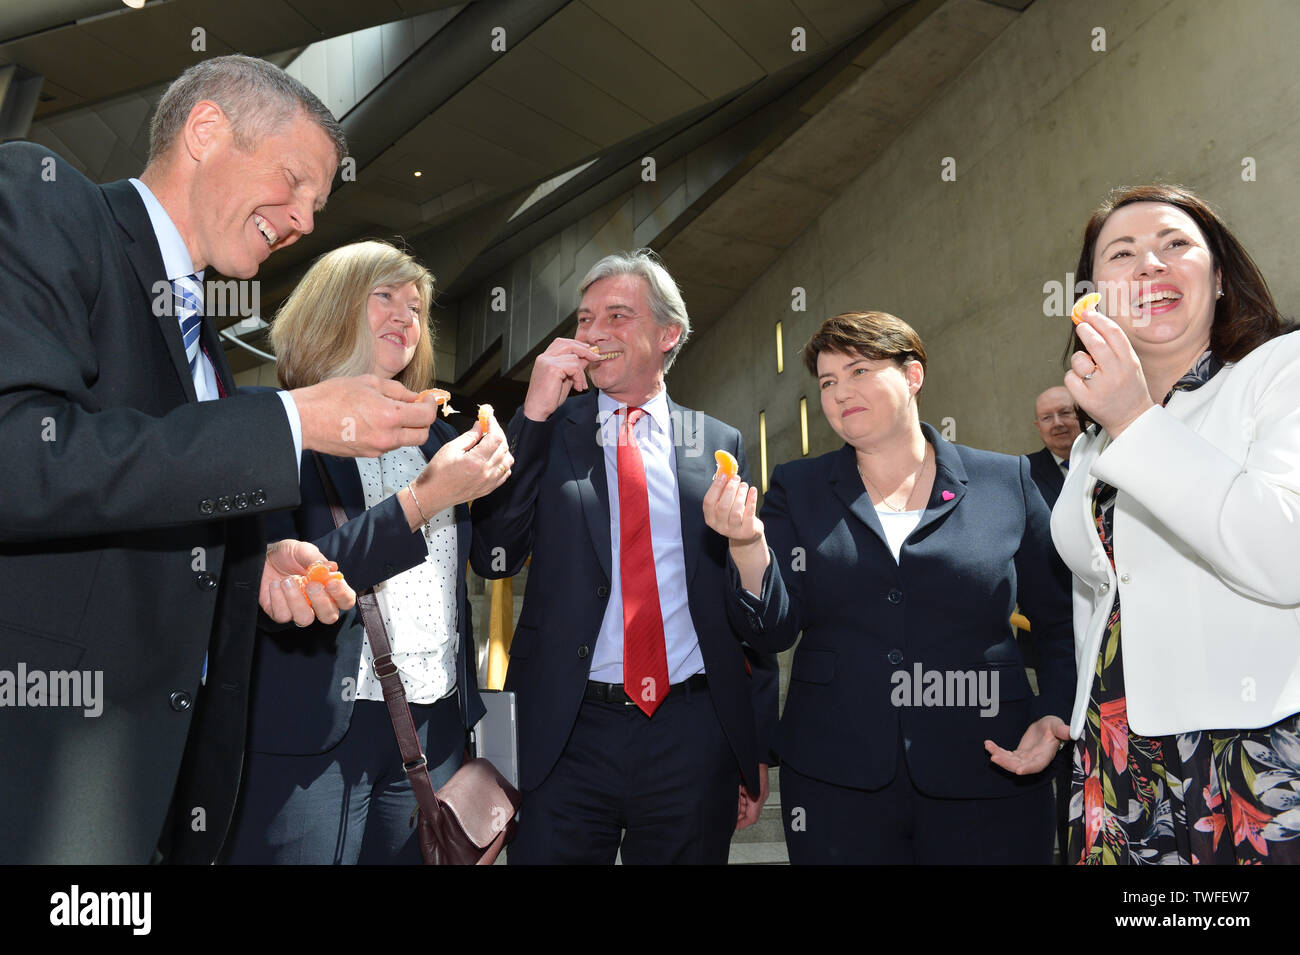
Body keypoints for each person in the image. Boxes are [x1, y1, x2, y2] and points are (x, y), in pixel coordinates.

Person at [0, 56, 444, 865]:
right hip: (51, 777)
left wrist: (258, 558)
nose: (306, 220)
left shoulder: (199, 331)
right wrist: (289, 420)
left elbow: (143, 493)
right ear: (206, 131)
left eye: (317, 202)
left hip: (161, 787)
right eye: (295, 182)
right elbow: (22, 459)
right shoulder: (46, 200)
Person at [705, 311, 1075, 864]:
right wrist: (745, 544)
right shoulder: (798, 486)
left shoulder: (1006, 481)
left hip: (990, 763)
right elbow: (773, 629)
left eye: (858, 371)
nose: (839, 393)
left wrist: (1053, 711)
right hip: (837, 777)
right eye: (828, 382)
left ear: (913, 376)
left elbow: (1061, 619)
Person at [470, 249, 777, 864]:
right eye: (584, 320)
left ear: (669, 335)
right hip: (566, 731)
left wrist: (754, 744)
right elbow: (494, 554)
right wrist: (532, 412)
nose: (594, 333)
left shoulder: (718, 443)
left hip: (692, 730)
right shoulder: (547, 431)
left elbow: (738, 602)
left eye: (617, 315)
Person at [221, 241, 513, 864]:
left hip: (433, 726)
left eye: (416, 305)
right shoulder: (272, 423)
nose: (407, 315)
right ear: (331, 308)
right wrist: (426, 498)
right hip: (314, 732)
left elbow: (494, 559)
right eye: (384, 295)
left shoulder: (441, 434)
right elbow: (286, 587)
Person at [1051, 184, 1300, 864]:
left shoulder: (1283, 370)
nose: (1150, 266)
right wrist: (1074, 719)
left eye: (1175, 245)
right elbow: (1101, 595)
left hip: (1248, 747)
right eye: (1123, 253)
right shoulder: (1091, 442)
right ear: (1093, 294)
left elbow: (1286, 555)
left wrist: (1137, 419)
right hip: (1113, 754)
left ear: (1219, 278)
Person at [1026, 386, 1080, 509]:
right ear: (1038, 426)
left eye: (1065, 413)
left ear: (1083, 416)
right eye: (1047, 418)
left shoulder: (1107, 457)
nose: (1057, 423)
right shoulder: (1025, 473)